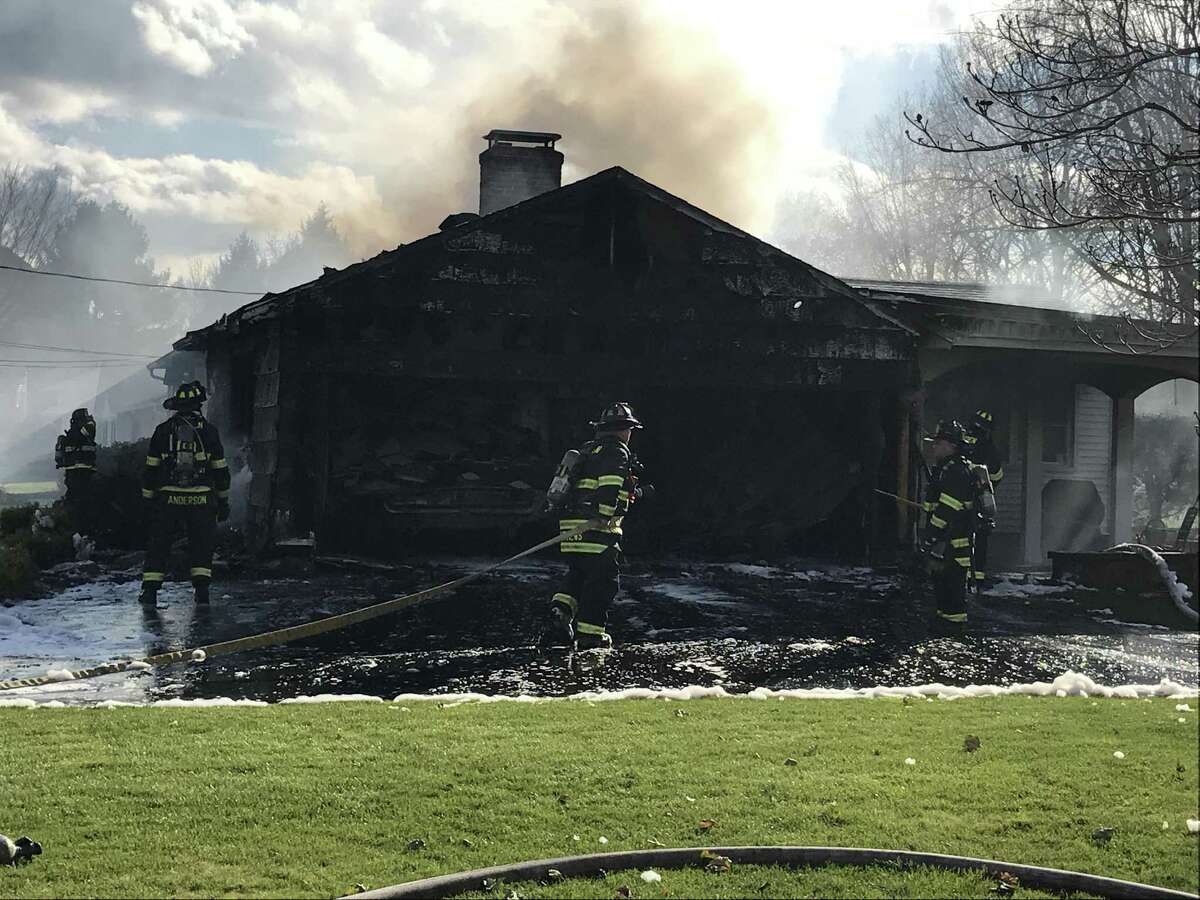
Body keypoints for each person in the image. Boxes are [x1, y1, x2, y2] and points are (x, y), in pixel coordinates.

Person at [545, 402, 651, 650]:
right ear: (624, 430)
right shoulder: (617, 452)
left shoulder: (588, 451)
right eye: (630, 430)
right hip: (597, 531)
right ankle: (590, 636)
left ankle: (560, 612)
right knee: (602, 583)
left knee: (578, 575)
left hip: (572, 531)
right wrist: (604, 515)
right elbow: (609, 485)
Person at [139, 381, 231, 607]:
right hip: (201, 499)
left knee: (159, 544)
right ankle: (201, 593)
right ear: (199, 404)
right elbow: (220, 470)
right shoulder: (209, 432)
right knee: (202, 544)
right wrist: (223, 500)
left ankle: (150, 593)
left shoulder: (162, 431)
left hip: (168, 500)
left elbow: (151, 469)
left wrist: (148, 499)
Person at [920, 420, 980, 628]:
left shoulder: (956, 471)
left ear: (952, 446)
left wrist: (930, 535)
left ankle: (955, 637)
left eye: (939, 443)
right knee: (942, 590)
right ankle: (943, 629)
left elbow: (947, 509)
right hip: (945, 543)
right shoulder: (945, 469)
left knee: (953, 597)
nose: (935, 446)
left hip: (954, 543)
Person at [962, 408, 1004, 589]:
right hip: (980, 501)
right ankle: (976, 578)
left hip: (957, 500)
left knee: (959, 538)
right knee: (980, 540)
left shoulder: (960, 441)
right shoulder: (989, 448)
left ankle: (962, 576)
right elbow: (996, 476)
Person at [55, 408, 97, 536]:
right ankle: (83, 531)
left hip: (72, 475)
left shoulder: (68, 436)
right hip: (83, 474)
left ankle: (73, 530)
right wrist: (91, 420)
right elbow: (90, 429)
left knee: (74, 502)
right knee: (84, 504)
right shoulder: (83, 432)